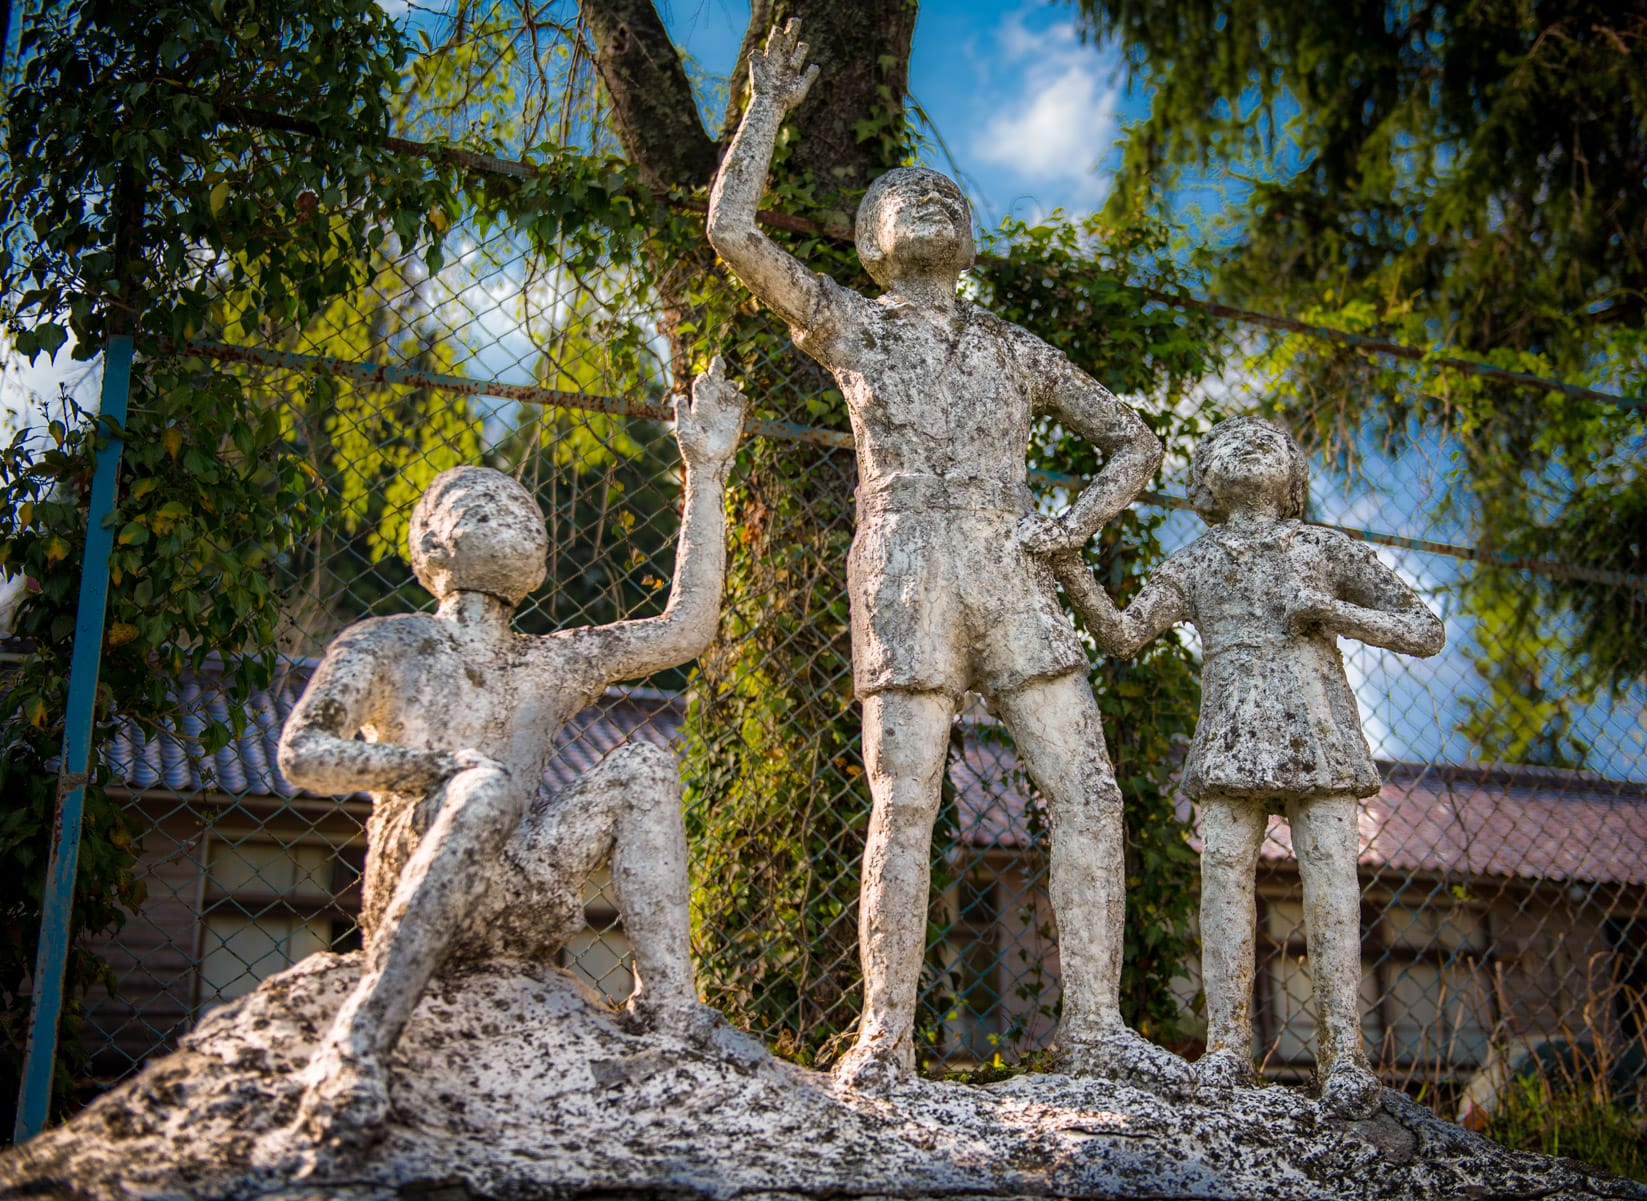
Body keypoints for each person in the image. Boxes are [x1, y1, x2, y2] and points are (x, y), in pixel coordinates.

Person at [707, 21, 1192, 1095]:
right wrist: (766, 113)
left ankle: (1098, 1028)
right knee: (906, 797)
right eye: (900, 194)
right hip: (906, 570)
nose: (927, 198)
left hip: (1010, 567)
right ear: (868, 240)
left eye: (945, 195)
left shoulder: (1013, 348)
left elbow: (1135, 442)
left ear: (969, 241)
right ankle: (885, 1036)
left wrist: (1070, 523)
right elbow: (733, 233)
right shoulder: (855, 326)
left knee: (1089, 785)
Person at [276, 363, 747, 1150]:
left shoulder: (551, 660)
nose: (514, 518)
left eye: (529, 514)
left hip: (523, 887)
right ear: (430, 541)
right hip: (421, 864)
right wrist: (434, 770)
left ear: (540, 562)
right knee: (487, 784)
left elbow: (685, 628)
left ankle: (671, 1010)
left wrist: (706, 468)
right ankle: (357, 1043)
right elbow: (303, 753)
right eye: (483, 503)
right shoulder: (388, 642)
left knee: (643, 765)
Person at [1052, 414, 1445, 1118]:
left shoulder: (1323, 547)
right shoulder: (1196, 561)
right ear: (1205, 480)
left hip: (1317, 730)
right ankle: (1227, 1047)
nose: (1249, 443)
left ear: (1293, 476)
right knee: (1222, 879)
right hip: (1231, 733)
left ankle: (1344, 1055)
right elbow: (1122, 632)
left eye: (1268, 440)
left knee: (1332, 880)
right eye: (1228, 441)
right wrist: (1068, 561)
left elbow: (1424, 627)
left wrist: (1333, 612)